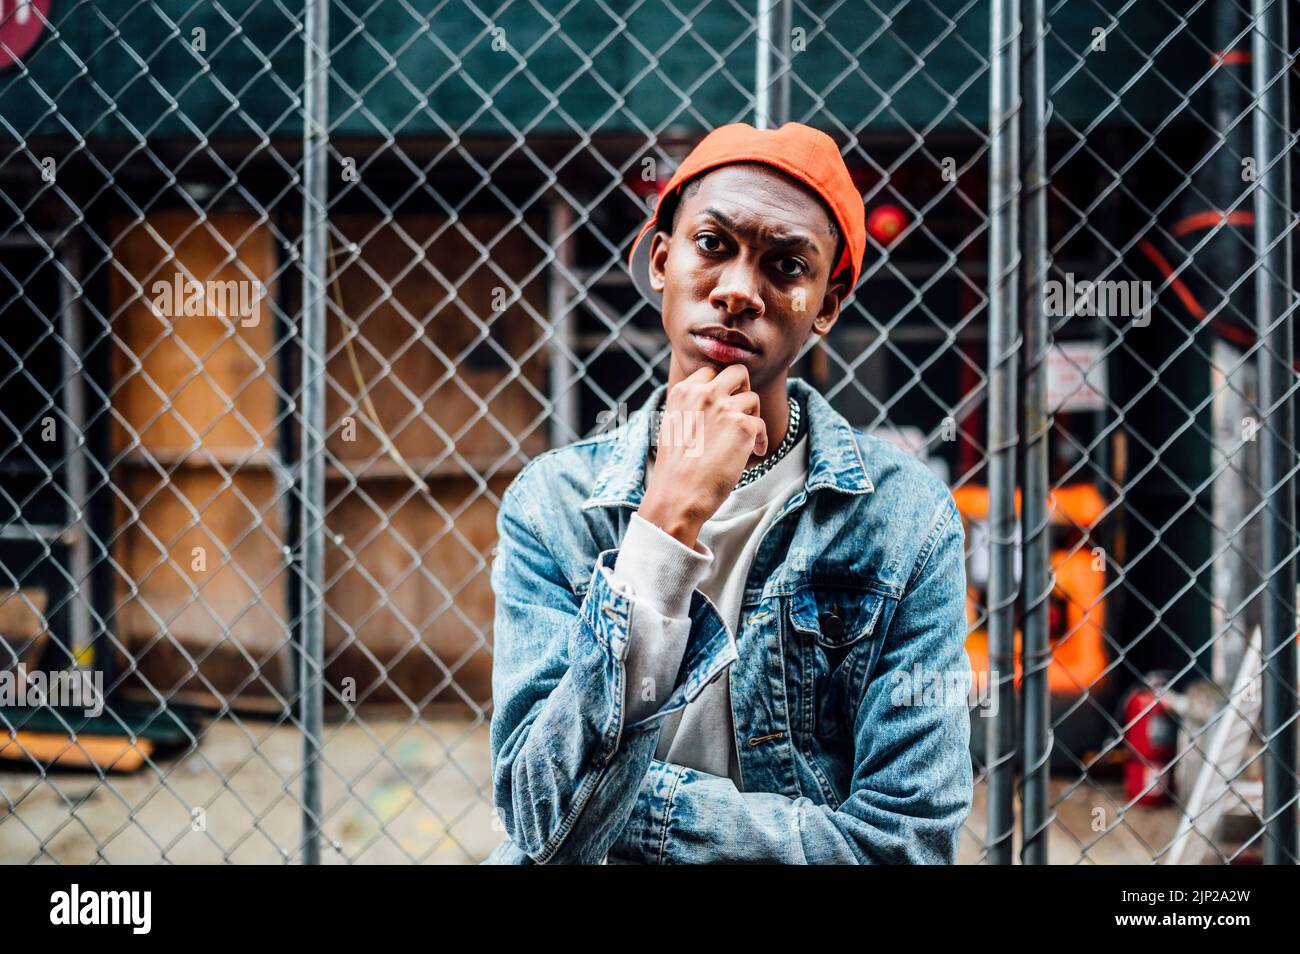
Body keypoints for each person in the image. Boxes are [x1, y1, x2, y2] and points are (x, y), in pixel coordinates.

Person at [483, 121, 972, 864]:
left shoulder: (905, 518)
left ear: (828, 304)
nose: (740, 291)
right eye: (712, 245)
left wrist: (636, 811)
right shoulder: (552, 505)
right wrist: (664, 523)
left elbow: (902, 845)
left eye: (785, 265)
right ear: (659, 260)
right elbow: (539, 813)